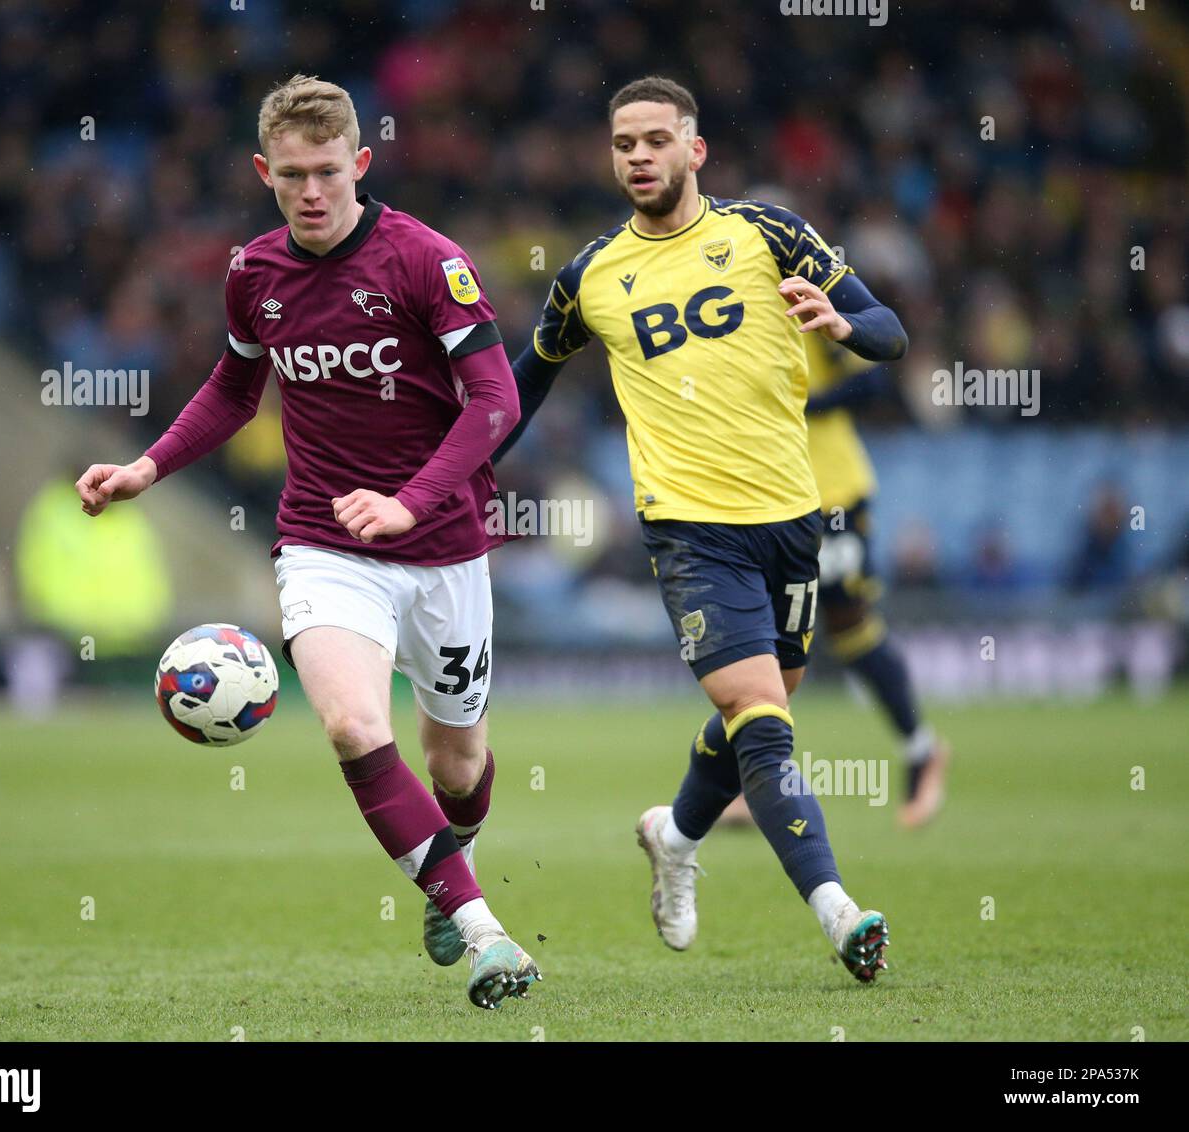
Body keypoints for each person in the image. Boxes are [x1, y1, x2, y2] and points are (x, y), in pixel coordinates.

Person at [75, 75, 538, 1010]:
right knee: (350, 725)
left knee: (459, 764)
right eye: (293, 176)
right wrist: (147, 468)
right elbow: (234, 390)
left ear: (361, 163)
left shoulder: (426, 261)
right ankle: (486, 930)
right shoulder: (253, 273)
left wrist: (410, 502)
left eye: (329, 171)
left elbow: (498, 400)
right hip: (325, 541)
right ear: (264, 173)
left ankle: (455, 863)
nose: (313, 191)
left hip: (444, 544)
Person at [495, 76, 907, 982]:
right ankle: (839, 913)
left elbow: (890, 330)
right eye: (622, 143)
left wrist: (844, 322)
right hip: (689, 533)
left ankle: (673, 834)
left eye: (654, 140)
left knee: (765, 705)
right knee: (760, 721)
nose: (637, 156)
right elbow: (523, 381)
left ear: (694, 149)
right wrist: (458, 469)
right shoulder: (590, 275)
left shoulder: (767, 232)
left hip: (791, 520)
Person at [714, 244, 951, 830]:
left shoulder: (800, 298)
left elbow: (873, 384)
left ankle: (921, 749)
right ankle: (758, 778)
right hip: (767, 495)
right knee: (762, 635)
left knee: (843, 619)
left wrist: (802, 404)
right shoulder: (717, 313)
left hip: (833, 492)